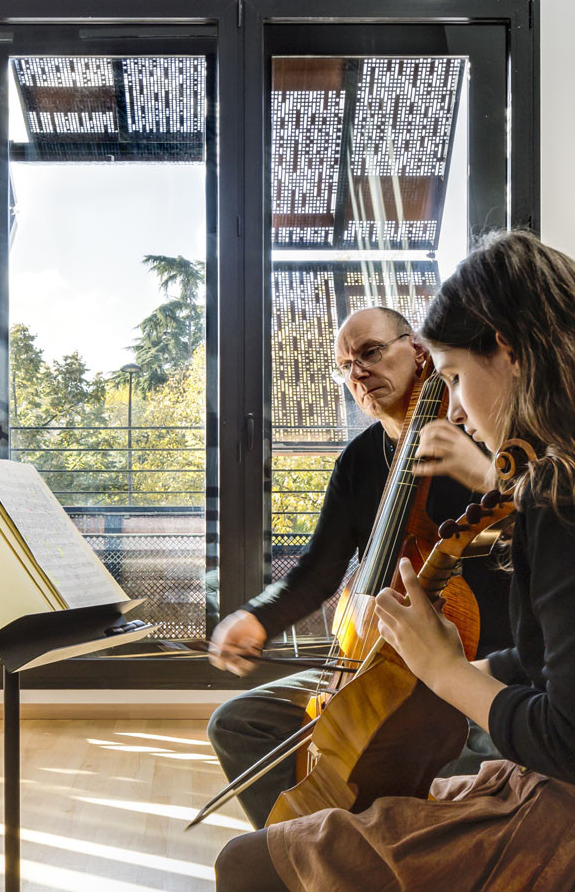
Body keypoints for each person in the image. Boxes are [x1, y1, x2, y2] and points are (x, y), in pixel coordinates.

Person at [215, 231, 575, 892]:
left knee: (246, 868)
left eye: (452, 375)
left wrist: (446, 669)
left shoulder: (565, 495)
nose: (454, 405)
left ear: (505, 349)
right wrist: (438, 669)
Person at [206, 305, 512, 829]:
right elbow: (320, 569)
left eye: (370, 353)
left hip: (472, 671)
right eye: (345, 366)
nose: (358, 373)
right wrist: (256, 617)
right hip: (366, 666)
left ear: (418, 351)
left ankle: (377, 850)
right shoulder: (358, 461)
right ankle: (309, 854)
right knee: (239, 723)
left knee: (455, 763)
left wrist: (488, 475)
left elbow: (542, 530)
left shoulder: (480, 431)